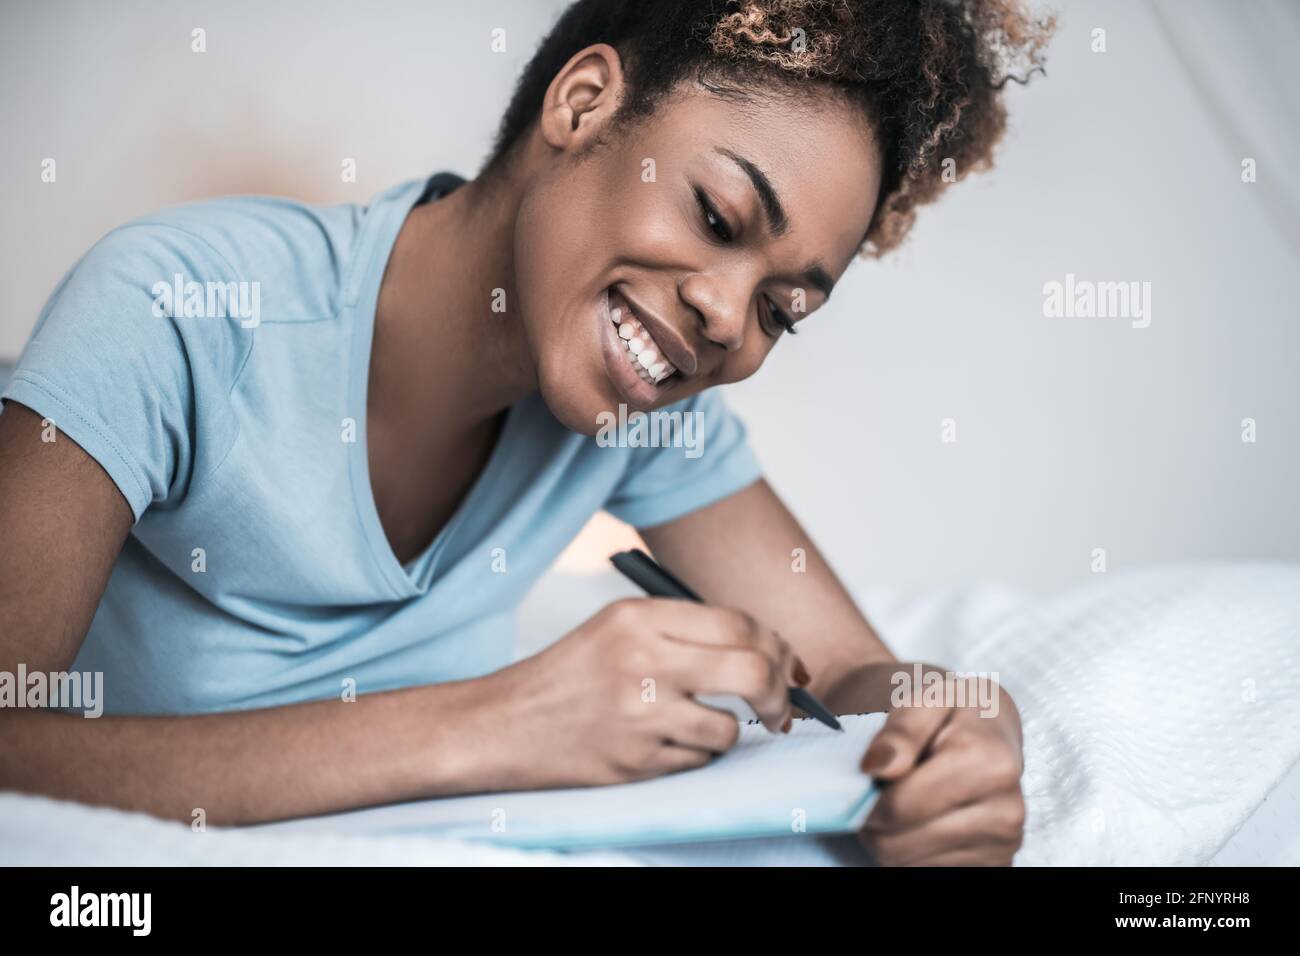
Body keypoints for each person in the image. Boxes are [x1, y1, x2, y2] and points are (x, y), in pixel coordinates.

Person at [0, 0, 1052, 865]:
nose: (729, 321)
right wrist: (492, 723)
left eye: (783, 309)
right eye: (719, 219)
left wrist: (968, 722)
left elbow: (853, 669)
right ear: (583, 102)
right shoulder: (179, 306)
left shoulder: (639, 416)